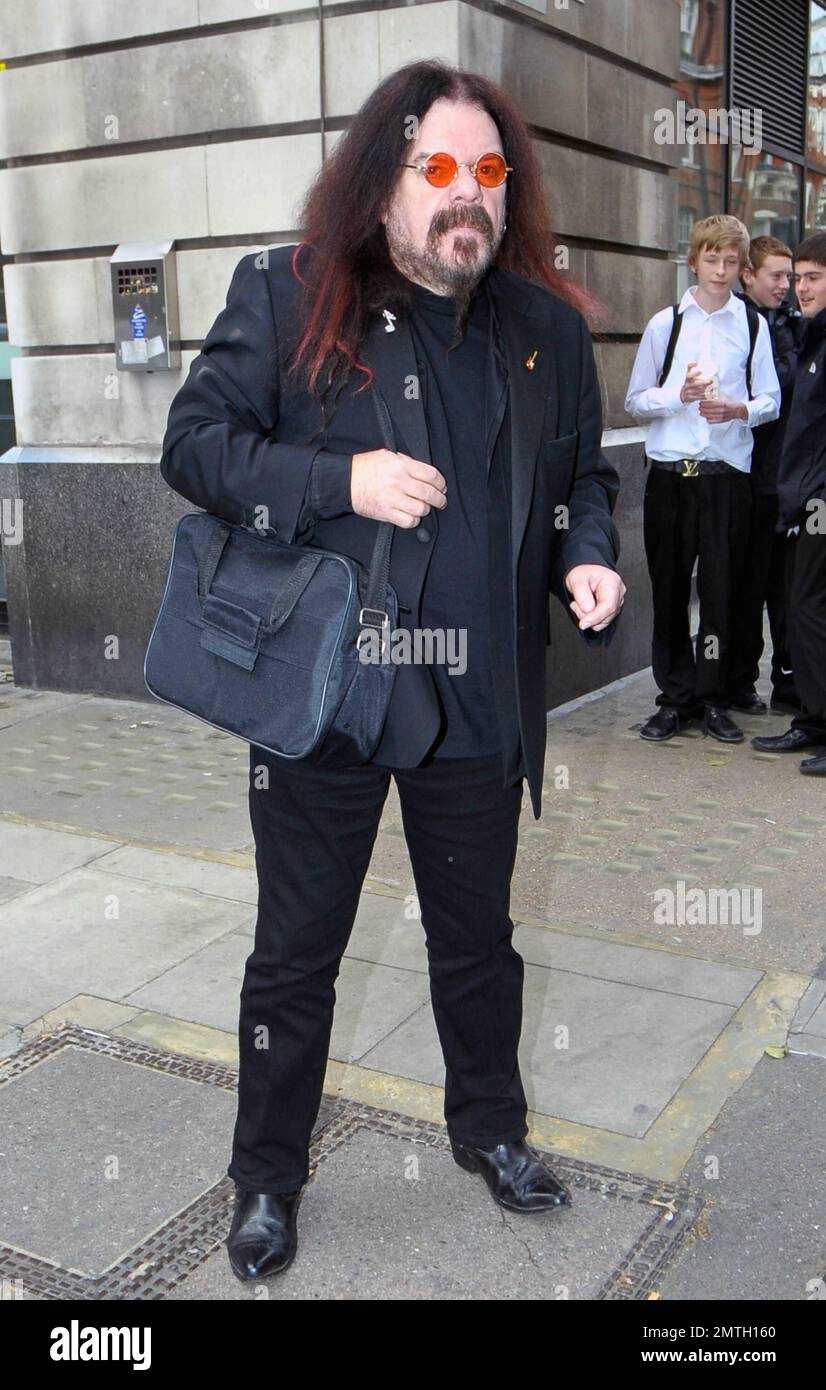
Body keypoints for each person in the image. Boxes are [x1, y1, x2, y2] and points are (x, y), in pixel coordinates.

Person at [158, 59, 625, 1282]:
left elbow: (587, 476)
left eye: (485, 174)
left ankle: (491, 1131)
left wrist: (587, 556)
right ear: (382, 185)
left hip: (474, 694)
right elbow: (195, 446)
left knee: (478, 941)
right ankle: (267, 1176)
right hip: (327, 694)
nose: (464, 197)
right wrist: (337, 483)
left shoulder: (544, 329)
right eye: (437, 172)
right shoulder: (289, 291)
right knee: (296, 950)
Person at [624, 215, 781, 745]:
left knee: (721, 594)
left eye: (731, 262)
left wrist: (738, 409)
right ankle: (674, 698)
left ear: (742, 268)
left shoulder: (752, 325)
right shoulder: (664, 325)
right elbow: (634, 401)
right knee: (668, 592)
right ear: (694, 261)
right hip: (670, 480)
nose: (720, 269)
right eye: (711, 259)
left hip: (724, 481)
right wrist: (678, 398)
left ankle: (712, 698)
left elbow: (771, 400)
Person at [751, 231, 826, 774]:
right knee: (803, 611)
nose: (801, 288)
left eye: (813, 278)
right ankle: (812, 719)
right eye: (798, 278)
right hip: (803, 499)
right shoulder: (810, 336)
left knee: (807, 608)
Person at [728, 236, 805, 715]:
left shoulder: (798, 324)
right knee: (743, 587)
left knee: (788, 592)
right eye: (776, 275)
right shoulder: (736, 325)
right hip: (744, 477)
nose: (786, 285)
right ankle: (739, 682)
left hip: (788, 481)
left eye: (790, 277)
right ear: (748, 275)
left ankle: (789, 684)